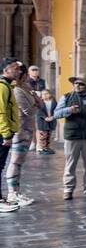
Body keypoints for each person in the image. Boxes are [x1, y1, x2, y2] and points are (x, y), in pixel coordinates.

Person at [3, 64, 37, 207]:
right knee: (15, 161)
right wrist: (36, 102)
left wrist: (36, 102)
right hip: (20, 130)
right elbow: (29, 111)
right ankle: (12, 193)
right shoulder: (17, 91)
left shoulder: (26, 88)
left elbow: (37, 105)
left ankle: (16, 191)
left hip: (28, 130)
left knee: (20, 162)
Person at [0, 58, 20, 214]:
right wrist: (6, 134)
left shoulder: (7, 86)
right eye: (14, 68)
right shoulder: (2, 87)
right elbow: (1, 113)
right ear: (5, 70)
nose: (18, 71)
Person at [35, 89, 57, 154]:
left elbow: (56, 110)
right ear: (41, 96)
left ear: (50, 94)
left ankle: (47, 147)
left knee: (49, 135)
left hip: (51, 120)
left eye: (46, 93)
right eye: (43, 94)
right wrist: (45, 117)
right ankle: (42, 148)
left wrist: (53, 116)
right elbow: (39, 111)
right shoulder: (40, 103)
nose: (45, 95)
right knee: (43, 135)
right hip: (42, 121)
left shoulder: (54, 102)